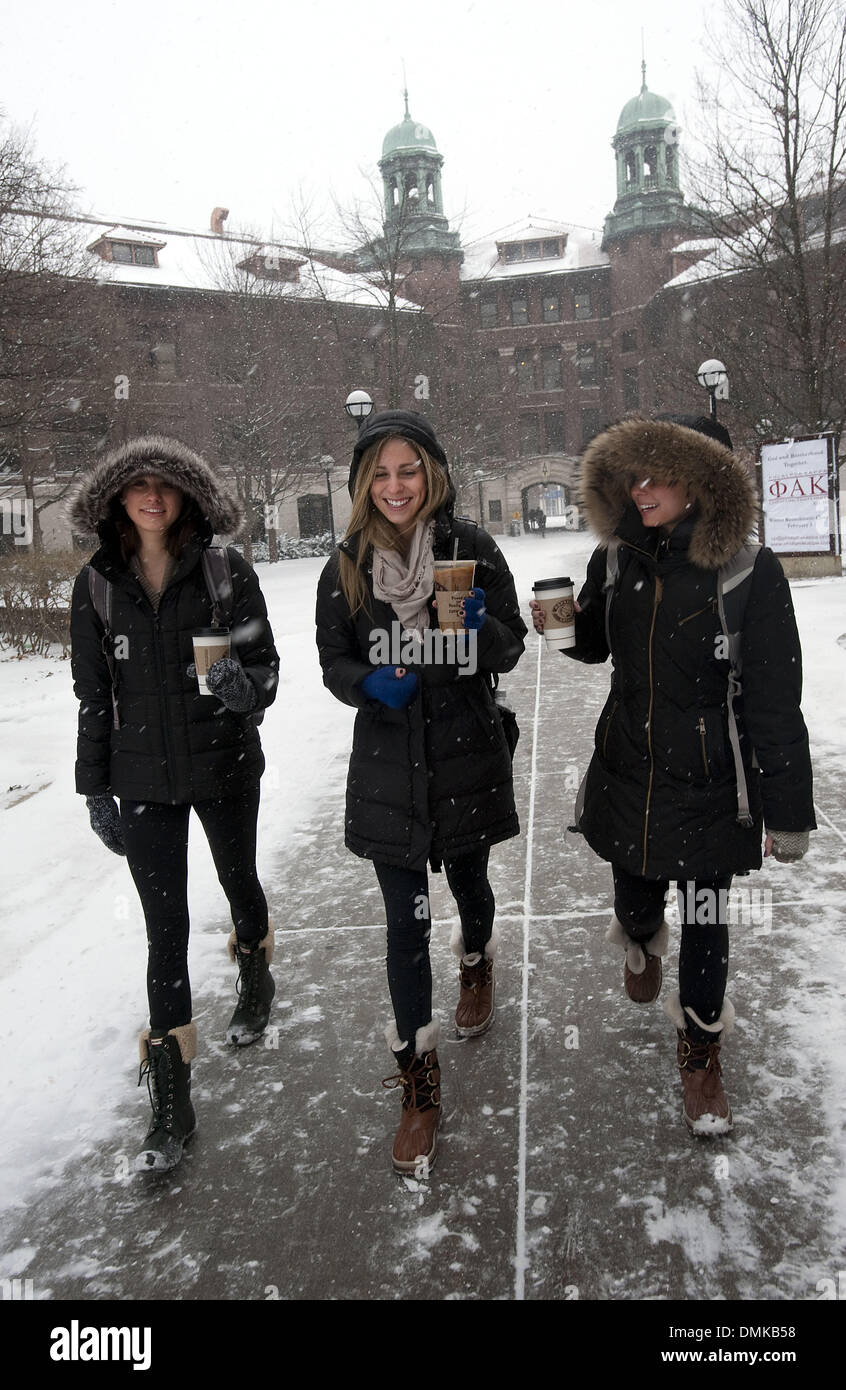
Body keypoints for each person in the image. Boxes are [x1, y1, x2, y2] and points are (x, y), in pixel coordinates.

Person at [530, 415, 815, 1135]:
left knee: (709, 919)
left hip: (714, 782)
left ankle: (701, 1050)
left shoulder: (750, 570)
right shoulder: (619, 557)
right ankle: (636, 934)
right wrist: (560, 628)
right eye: (634, 475)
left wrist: (786, 812)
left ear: (701, 482)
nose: (642, 488)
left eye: (659, 474)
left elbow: (777, 700)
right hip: (631, 768)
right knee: (635, 897)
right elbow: (595, 647)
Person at [315, 410, 526, 1174]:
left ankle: (477, 960)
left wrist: (476, 633)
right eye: (382, 472)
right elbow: (330, 659)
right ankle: (418, 1087)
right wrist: (366, 682)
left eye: (409, 470)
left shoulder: (472, 549)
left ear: (431, 475)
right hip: (387, 774)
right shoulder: (345, 564)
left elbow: (511, 642)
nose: (396, 486)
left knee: (470, 885)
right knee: (404, 927)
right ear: (365, 483)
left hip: (465, 757)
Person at [69, 435, 279, 1172]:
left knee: (237, 881)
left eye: (165, 485)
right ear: (117, 499)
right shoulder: (96, 585)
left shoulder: (224, 570)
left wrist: (240, 691)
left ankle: (255, 975)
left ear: (187, 495)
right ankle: (170, 1098)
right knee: (167, 929)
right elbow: (93, 697)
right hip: (144, 784)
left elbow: (266, 669)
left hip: (224, 767)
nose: (152, 496)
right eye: (138, 486)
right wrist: (94, 786)